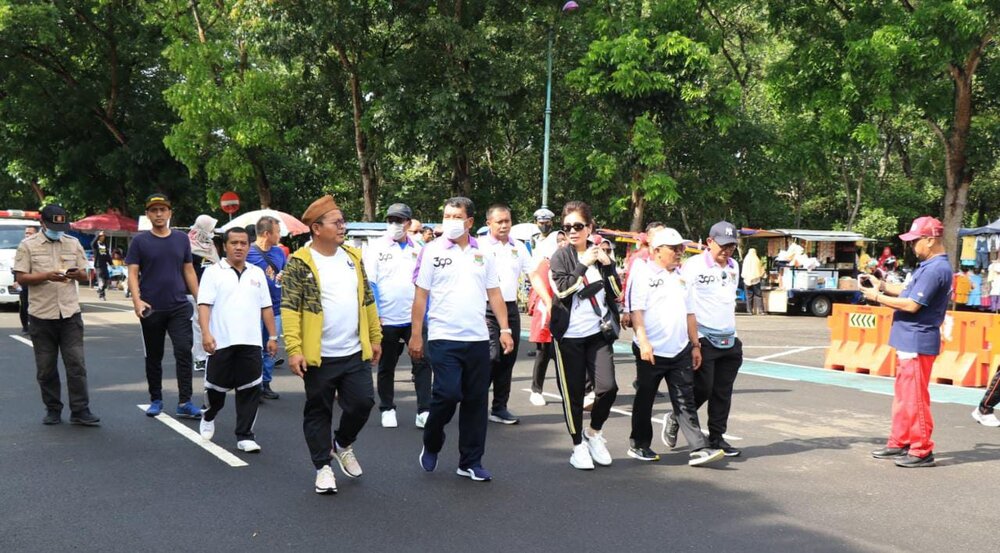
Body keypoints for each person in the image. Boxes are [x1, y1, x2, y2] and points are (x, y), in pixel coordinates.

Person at [282, 195, 382, 495]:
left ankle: (342, 443)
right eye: (336, 222)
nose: (343, 226)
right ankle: (322, 467)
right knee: (319, 411)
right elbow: (290, 308)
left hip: (354, 350)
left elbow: (367, 299)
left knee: (363, 402)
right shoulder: (300, 263)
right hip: (319, 356)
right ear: (316, 228)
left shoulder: (353, 257)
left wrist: (375, 336)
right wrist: (294, 349)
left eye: (343, 221)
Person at [411, 197, 514, 482]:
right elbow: (421, 295)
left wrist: (505, 329)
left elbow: (494, 293)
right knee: (447, 394)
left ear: (469, 222)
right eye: (447, 216)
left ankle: (470, 462)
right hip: (443, 337)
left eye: (456, 217)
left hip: (477, 339)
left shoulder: (484, 253)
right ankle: (432, 441)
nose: (450, 221)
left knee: (476, 401)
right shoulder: (431, 251)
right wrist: (416, 334)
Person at [628, 228, 724, 466]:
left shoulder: (682, 277)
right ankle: (639, 444)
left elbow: (690, 313)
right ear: (657, 251)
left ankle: (699, 448)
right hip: (651, 350)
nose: (680, 252)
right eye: (674, 248)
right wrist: (644, 342)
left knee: (685, 399)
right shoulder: (642, 273)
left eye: (681, 248)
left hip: (679, 349)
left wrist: (695, 345)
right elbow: (636, 311)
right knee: (645, 398)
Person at [861, 216, 952, 467]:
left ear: (930, 240)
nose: (912, 246)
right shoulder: (928, 266)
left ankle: (921, 449)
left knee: (915, 399)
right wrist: (881, 285)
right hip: (909, 339)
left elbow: (912, 304)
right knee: (904, 396)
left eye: (915, 241)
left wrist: (877, 296)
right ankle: (900, 441)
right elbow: (906, 290)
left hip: (917, 340)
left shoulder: (935, 269)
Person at [547, 200, 621, 470]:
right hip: (569, 337)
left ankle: (594, 433)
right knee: (573, 394)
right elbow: (563, 290)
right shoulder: (560, 257)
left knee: (608, 388)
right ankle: (577, 444)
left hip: (597, 333)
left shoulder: (600, 254)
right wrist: (583, 264)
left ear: (589, 227)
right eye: (567, 227)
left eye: (578, 226)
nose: (572, 231)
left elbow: (616, 291)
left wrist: (608, 266)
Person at [13, 205, 100, 426]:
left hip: (70, 314)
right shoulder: (27, 245)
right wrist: (46, 276)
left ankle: (80, 410)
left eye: (61, 226)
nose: (57, 230)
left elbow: (85, 274)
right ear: (42, 223)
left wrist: (77, 274)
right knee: (46, 367)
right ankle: (53, 409)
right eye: (53, 226)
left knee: (76, 365)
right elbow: (21, 277)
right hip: (41, 315)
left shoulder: (73, 243)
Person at [197, 227, 278, 452]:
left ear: (249, 246)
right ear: (225, 246)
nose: (239, 247)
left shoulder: (257, 273)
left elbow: (266, 307)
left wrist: (273, 336)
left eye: (243, 243)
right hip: (221, 342)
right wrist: (206, 333)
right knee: (216, 389)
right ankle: (209, 414)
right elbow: (204, 305)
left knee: (250, 389)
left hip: (251, 343)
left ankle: (245, 435)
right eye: (234, 243)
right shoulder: (213, 272)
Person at [126, 193, 202, 419]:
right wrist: (137, 301)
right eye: (154, 210)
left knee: (183, 351)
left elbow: (189, 270)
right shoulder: (140, 241)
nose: (159, 214)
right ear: (148, 214)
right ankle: (156, 399)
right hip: (151, 308)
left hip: (179, 306)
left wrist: (201, 300)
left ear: (170, 213)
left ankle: (185, 401)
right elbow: (132, 273)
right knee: (154, 355)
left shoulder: (181, 239)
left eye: (163, 210)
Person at [363, 203, 431, 429]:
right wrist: (376, 314)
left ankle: (424, 410)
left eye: (399, 220)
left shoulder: (419, 248)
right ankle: (387, 408)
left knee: (422, 363)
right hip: (387, 318)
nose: (394, 224)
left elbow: (425, 284)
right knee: (387, 365)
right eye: (391, 220)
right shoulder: (376, 247)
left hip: (414, 318)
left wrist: (427, 315)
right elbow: (371, 283)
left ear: (408, 223)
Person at [678, 221, 743, 457]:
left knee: (722, 392)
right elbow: (685, 304)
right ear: (709, 242)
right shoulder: (693, 266)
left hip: (729, 337)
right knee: (703, 388)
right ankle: (678, 417)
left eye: (732, 246)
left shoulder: (734, 266)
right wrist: (693, 341)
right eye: (723, 245)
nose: (727, 250)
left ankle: (717, 437)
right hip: (703, 336)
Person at [481, 204, 531, 425]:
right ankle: (476, 402)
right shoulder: (478, 245)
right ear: (488, 223)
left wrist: (547, 300)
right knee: (491, 357)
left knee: (508, 358)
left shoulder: (518, 247)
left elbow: (533, 273)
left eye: (507, 221)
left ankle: (499, 407)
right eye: (499, 221)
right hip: (485, 308)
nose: (504, 225)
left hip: (510, 308)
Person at [247, 215, 286, 400]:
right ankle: (253, 384)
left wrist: (283, 277)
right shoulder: (248, 253)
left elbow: (284, 272)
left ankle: (265, 383)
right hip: (253, 309)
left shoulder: (279, 253)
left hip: (275, 307)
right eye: (277, 232)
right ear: (266, 234)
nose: (280, 235)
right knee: (254, 348)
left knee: (271, 347)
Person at [526, 230, 566, 405]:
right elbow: (542, 291)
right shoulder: (545, 264)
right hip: (547, 314)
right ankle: (536, 390)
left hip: (565, 315)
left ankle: (571, 391)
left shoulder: (570, 262)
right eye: (559, 240)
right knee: (543, 354)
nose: (562, 243)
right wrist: (550, 311)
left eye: (564, 240)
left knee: (564, 357)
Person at [188, 214, 220, 372]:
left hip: (212, 292)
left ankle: (210, 353)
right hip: (195, 292)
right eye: (210, 228)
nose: (212, 232)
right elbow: (188, 272)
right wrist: (197, 295)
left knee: (212, 324)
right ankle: (199, 358)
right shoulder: (189, 247)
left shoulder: (210, 245)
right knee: (199, 324)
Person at [18, 226, 37, 333]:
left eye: (30, 233)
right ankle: (25, 326)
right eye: (26, 233)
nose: (27, 235)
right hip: (25, 281)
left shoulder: (41, 246)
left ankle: (35, 325)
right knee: (24, 304)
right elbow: (17, 266)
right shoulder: (22, 246)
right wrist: (16, 280)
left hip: (38, 280)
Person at [742, 247, 765, 315]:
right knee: (758, 295)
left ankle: (749, 311)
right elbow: (761, 270)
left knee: (748, 296)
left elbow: (743, 270)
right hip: (756, 280)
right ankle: (761, 310)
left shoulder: (746, 260)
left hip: (746, 281)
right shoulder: (757, 260)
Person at [90, 231, 111, 300]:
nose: (102, 237)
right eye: (101, 236)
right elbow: (92, 244)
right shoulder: (95, 245)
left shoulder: (105, 245)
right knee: (101, 281)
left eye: (103, 236)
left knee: (107, 281)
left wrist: (111, 263)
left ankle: (99, 289)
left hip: (104, 265)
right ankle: (102, 295)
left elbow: (107, 255)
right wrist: (98, 235)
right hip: (98, 265)